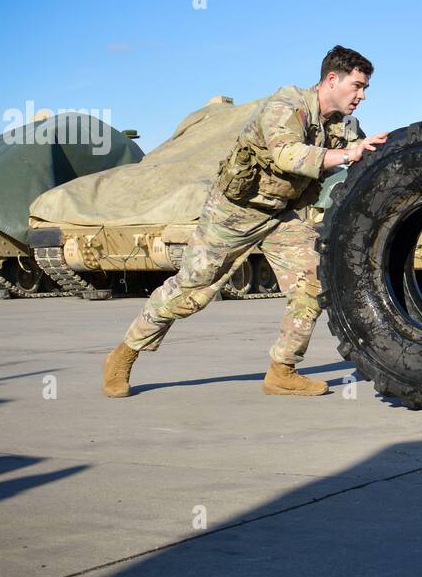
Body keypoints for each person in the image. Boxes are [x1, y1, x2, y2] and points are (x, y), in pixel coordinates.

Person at [102, 45, 388, 398]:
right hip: (234, 211)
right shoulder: (288, 105)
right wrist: (347, 153)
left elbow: (364, 153)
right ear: (332, 79)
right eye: (357, 86)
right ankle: (126, 351)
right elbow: (287, 155)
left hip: (279, 215)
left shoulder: (344, 125)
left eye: (365, 89)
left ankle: (282, 370)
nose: (361, 96)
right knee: (192, 290)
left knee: (315, 279)